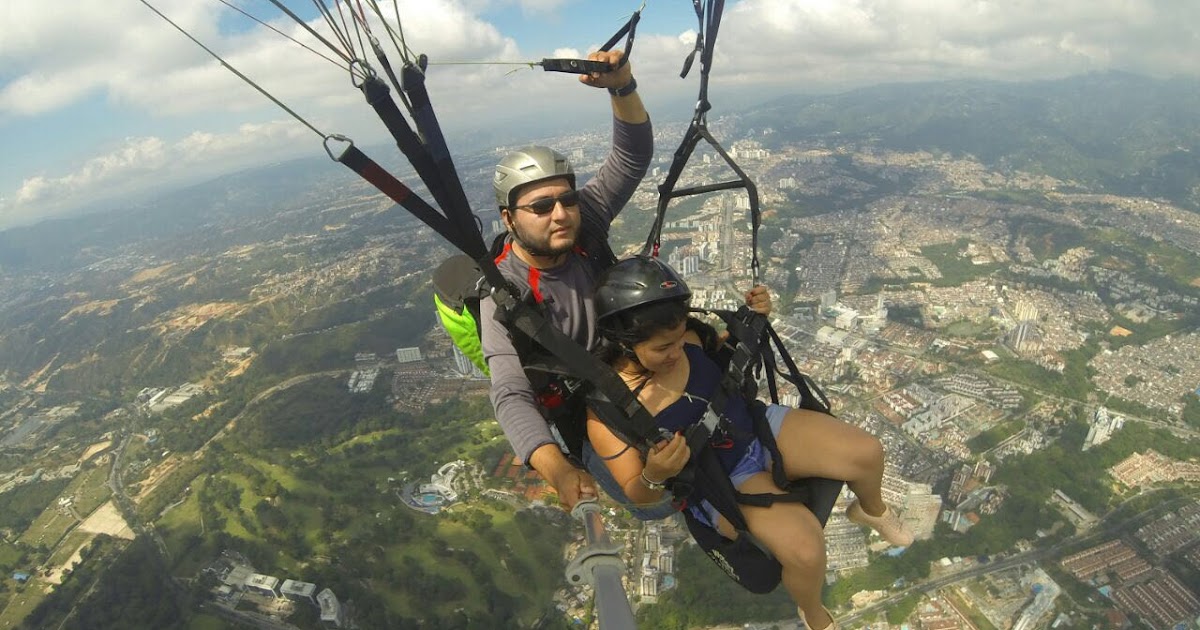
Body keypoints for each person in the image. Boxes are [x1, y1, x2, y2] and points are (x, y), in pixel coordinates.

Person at [587, 256, 914, 630]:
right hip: (721, 478)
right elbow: (636, 493)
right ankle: (814, 614)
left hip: (754, 427)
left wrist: (754, 318)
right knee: (806, 552)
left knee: (866, 453)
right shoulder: (610, 410)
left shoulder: (691, 337)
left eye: (679, 340)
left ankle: (870, 510)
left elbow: (724, 356)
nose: (676, 353)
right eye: (662, 349)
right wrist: (654, 474)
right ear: (624, 344)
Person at [480, 48, 658, 513]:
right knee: (656, 501)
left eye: (567, 199)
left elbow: (632, 156)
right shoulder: (504, 295)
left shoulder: (585, 225)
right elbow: (511, 392)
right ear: (509, 218)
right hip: (586, 408)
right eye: (539, 207)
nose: (559, 214)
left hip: (635, 373)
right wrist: (557, 467)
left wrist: (622, 85)